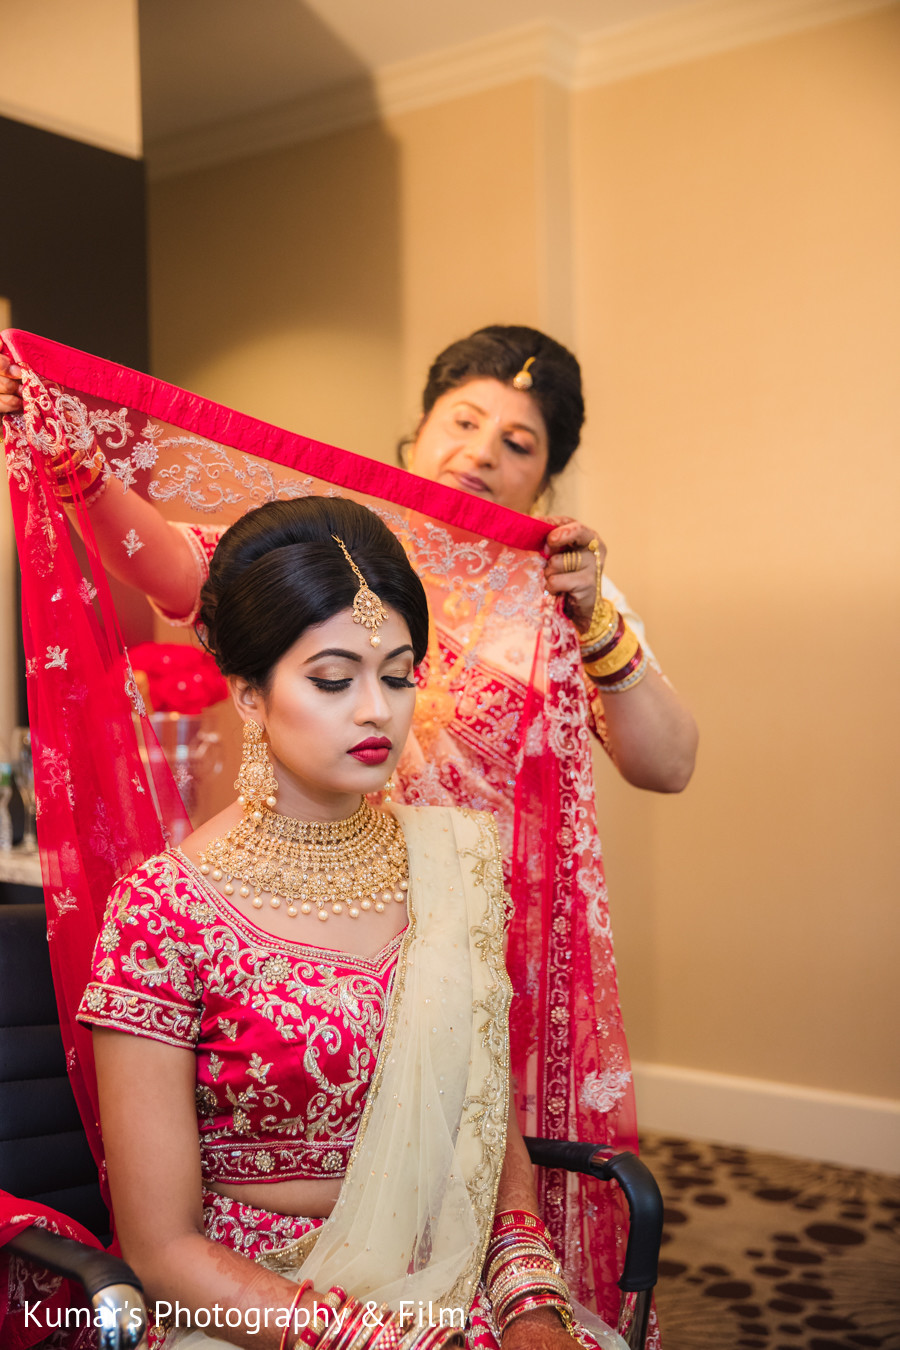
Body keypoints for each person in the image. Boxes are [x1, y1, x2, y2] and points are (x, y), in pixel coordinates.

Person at [1, 326, 694, 1332]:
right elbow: (175, 570)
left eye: (520, 441)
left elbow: (667, 761)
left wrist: (532, 1312)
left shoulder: (547, 596)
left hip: (459, 919)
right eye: (465, 420)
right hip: (277, 1001)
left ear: (546, 480)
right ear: (413, 434)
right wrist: (73, 460)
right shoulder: (308, 566)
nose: (376, 709)